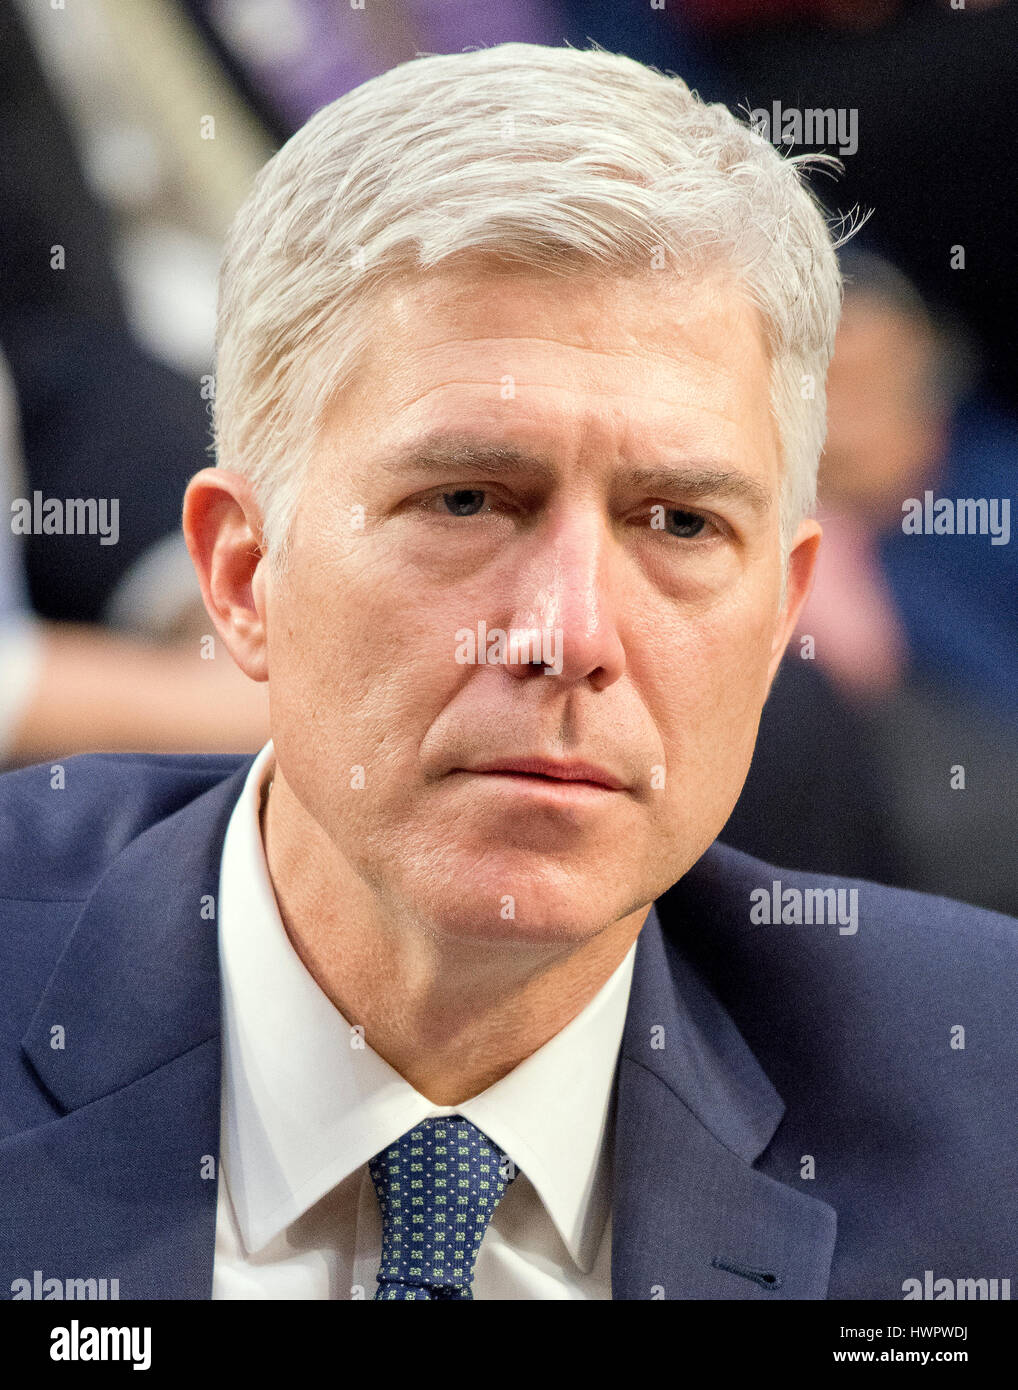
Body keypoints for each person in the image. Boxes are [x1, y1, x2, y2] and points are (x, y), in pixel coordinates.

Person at [1, 43, 1015, 1303]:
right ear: (243, 575)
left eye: (680, 524)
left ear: (778, 620)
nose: (569, 631)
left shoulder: (986, 1111)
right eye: (469, 499)